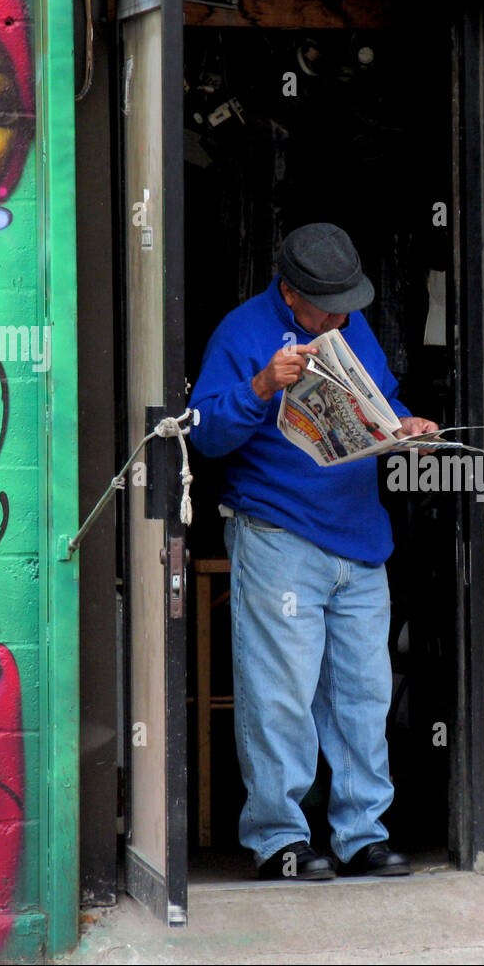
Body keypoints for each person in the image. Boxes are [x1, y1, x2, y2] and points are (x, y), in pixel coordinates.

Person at [188, 223, 438, 880]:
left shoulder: (351, 328)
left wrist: (404, 424)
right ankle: (280, 840)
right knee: (281, 693)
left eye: (348, 302)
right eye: (328, 305)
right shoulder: (240, 334)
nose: (342, 315)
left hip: (359, 537)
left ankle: (362, 833)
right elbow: (205, 434)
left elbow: (378, 401)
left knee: (363, 692)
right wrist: (262, 387)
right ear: (290, 293)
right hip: (278, 532)